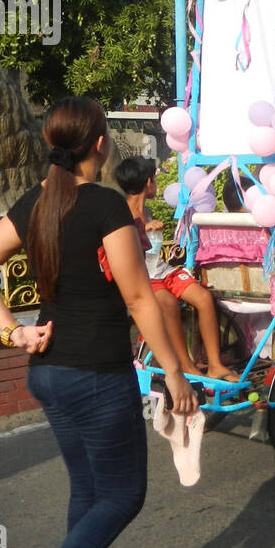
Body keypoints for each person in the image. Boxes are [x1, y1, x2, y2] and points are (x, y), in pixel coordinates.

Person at [0, 97, 195, 548]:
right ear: (100, 144)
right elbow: (139, 298)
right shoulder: (106, 205)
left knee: (89, 494)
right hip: (95, 373)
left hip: (48, 372)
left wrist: (12, 330)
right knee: (123, 496)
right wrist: (175, 372)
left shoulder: (35, 203)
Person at [113, 157, 235, 381]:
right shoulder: (122, 214)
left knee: (203, 298)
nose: (156, 185)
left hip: (161, 271)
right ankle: (186, 366)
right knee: (168, 304)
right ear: (148, 182)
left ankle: (216, 364)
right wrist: (142, 229)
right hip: (143, 277)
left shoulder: (146, 210)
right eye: (154, 180)